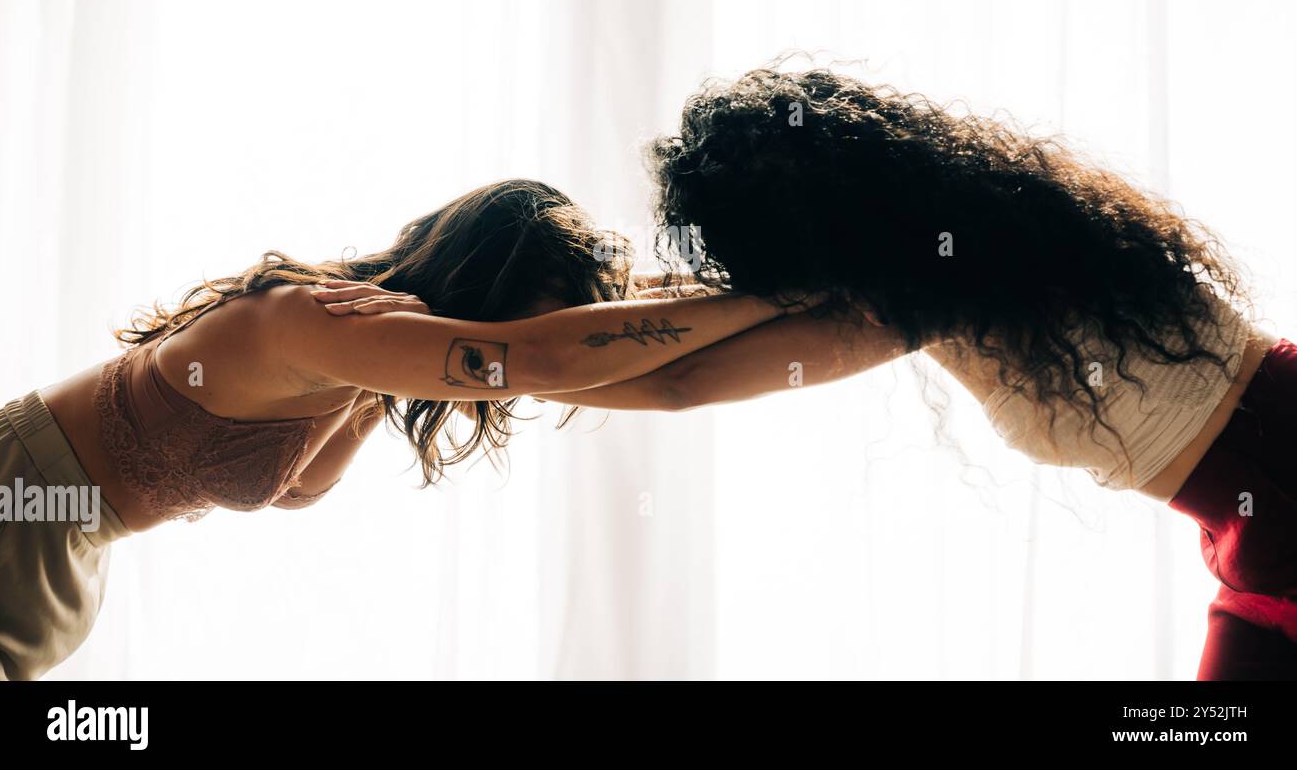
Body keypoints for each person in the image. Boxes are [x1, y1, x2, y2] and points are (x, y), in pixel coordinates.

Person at [531, 66, 1293, 680]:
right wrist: (506, 362)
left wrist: (503, 371)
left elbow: (679, 380)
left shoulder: (928, 291)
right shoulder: (991, 224)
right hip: (1251, 537)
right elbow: (681, 343)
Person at [0, 178, 799, 680]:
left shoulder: (371, 355)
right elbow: (551, 362)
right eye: (523, 326)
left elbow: (298, 489)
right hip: (19, 496)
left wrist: (793, 298)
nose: (518, 360)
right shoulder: (319, 318)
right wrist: (781, 297)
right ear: (482, 289)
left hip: (68, 538)